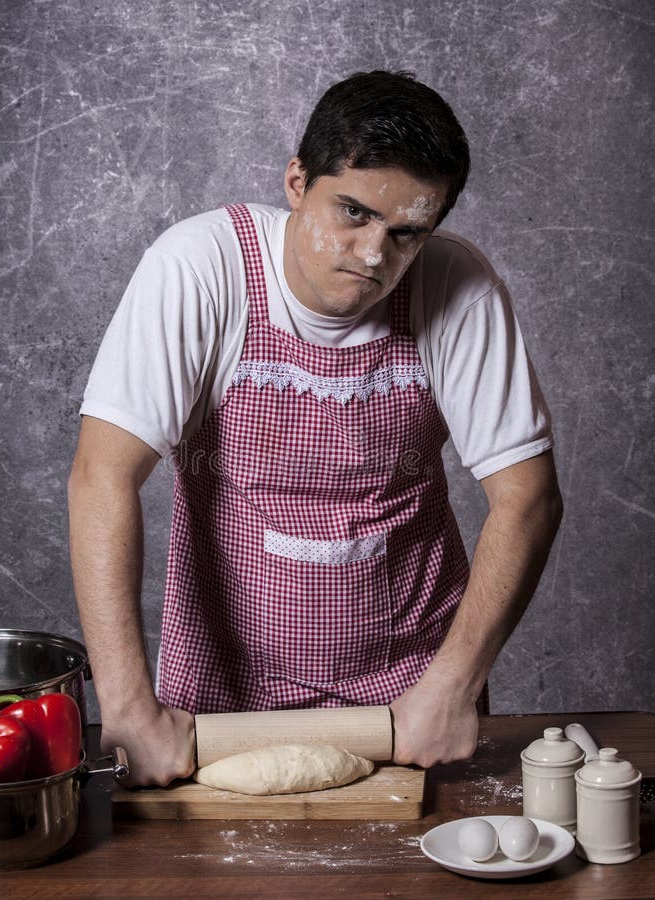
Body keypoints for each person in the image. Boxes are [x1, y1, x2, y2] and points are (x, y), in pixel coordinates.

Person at [68, 70, 563, 787]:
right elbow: (101, 476)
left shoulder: (457, 286)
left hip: (413, 692)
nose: (371, 255)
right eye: (353, 213)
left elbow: (529, 499)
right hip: (221, 692)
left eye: (405, 233)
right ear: (297, 181)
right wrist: (125, 706)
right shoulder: (202, 268)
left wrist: (453, 685)